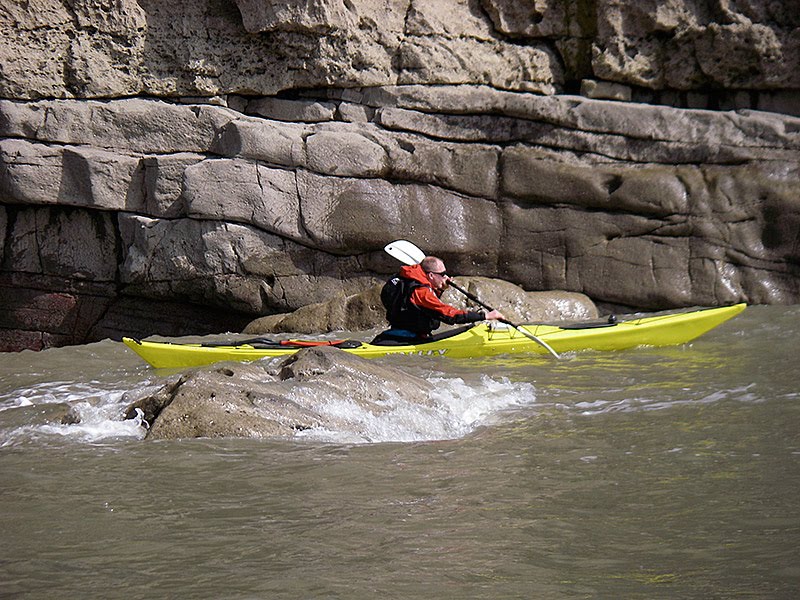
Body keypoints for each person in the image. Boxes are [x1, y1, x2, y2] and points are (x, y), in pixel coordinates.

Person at [372, 256, 504, 345]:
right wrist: (485, 316)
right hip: (410, 338)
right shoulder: (421, 292)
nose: (446, 277)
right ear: (430, 275)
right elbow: (449, 315)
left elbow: (422, 307)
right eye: (442, 274)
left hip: (401, 329)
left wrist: (440, 289)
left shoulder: (409, 278)